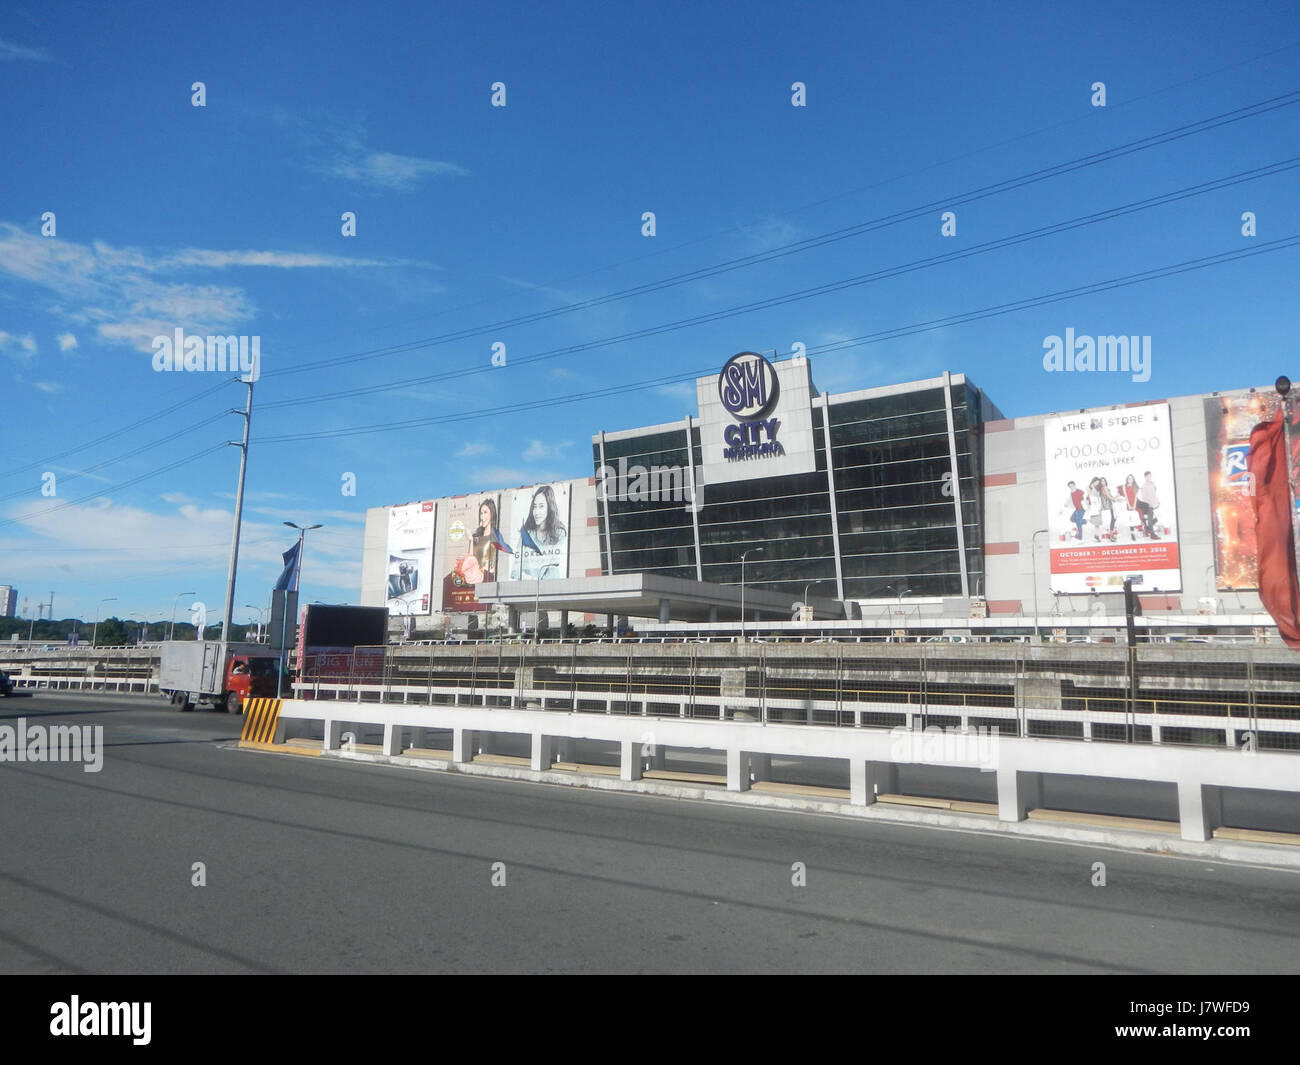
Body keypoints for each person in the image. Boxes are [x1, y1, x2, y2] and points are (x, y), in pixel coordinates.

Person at [515, 485, 568, 579]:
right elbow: (515, 572)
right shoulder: (526, 534)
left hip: (551, 588)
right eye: (535, 507)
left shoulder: (560, 533)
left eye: (541, 506)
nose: (536, 512)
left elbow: (552, 571)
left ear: (550, 507)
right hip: (528, 588)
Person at [1138, 472, 1160, 539]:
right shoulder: (1144, 486)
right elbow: (1143, 497)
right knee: (1150, 519)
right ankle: (1152, 534)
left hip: (1154, 504)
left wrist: (1157, 502)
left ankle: (1147, 529)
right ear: (1145, 477)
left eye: (1150, 476)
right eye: (1147, 476)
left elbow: (1154, 494)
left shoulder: (1153, 483)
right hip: (1148, 505)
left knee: (1156, 519)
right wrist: (1148, 504)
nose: (1149, 477)